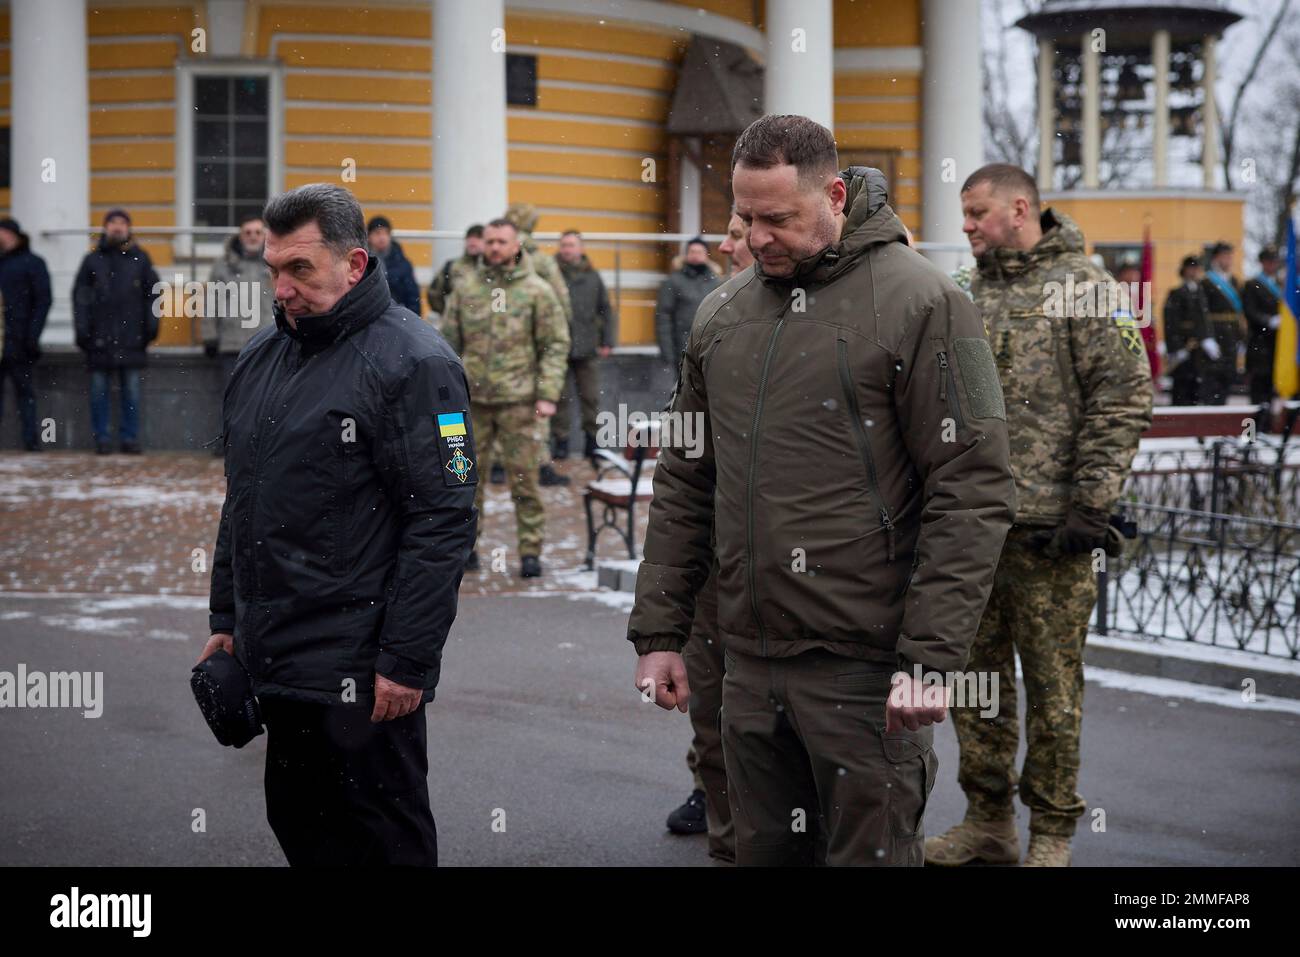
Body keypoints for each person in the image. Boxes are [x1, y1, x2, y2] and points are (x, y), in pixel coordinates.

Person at [628, 114, 1016, 867]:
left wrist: (931, 657)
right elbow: (684, 477)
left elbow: (972, 485)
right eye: (745, 216)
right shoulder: (722, 312)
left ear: (835, 195)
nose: (756, 236)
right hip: (747, 664)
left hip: (865, 670)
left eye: (778, 217)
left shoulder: (924, 303)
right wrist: (660, 631)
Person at [199, 183, 477, 867]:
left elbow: (442, 520)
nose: (283, 288)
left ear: (354, 265)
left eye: (301, 269)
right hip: (278, 665)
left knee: (382, 845)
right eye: (273, 270)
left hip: (364, 677)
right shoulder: (261, 356)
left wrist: (407, 660)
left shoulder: (417, 363)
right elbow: (244, 500)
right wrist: (227, 615)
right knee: (302, 829)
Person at [927, 164, 1152, 868]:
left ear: (1020, 208)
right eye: (962, 214)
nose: (965, 226)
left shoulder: (1086, 288)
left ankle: (1051, 831)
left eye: (976, 212)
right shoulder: (962, 294)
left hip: (1053, 534)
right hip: (973, 530)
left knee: (1054, 690)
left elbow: (1123, 397)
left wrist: (1092, 502)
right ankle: (987, 819)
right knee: (975, 685)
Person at [665, 210, 752, 858]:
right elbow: (683, 471)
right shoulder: (717, 316)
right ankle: (710, 784)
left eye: (742, 229)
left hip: (797, 571)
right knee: (709, 687)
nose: (726, 244)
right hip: (716, 555)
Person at [439, 218, 569, 577]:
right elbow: (447, 344)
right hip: (470, 404)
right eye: (490, 241)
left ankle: (530, 551)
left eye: (501, 242)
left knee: (525, 480)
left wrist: (547, 393)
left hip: (520, 401)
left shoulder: (537, 291)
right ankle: (468, 549)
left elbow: (555, 344)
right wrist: (446, 396)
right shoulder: (466, 288)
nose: (494, 247)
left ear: (516, 246)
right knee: (463, 478)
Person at [71, 208, 161, 454]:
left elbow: (152, 294)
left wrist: (151, 329)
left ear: (129, 228)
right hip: (98, 339)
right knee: (98, 392)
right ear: (105, 227)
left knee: (131, 393)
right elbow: (80, 298)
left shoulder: (141, 259)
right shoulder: (92, 260)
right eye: (113, 222)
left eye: (122, 223)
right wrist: (82, 332)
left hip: (132, 338)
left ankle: (129, 439)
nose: (117, 227)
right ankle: (101, 438)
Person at [503, 202, 571, 488]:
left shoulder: (495, 254)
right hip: (535, 344)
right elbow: (561, 300)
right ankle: (539, 464)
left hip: (502, 343)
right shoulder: (541, 261)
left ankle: (498, 463)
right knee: (536, 410)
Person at [553, 230, 614, 464]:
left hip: (587, 347)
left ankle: (593, 444)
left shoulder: (593, 277)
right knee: (559, 399)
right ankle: (561, 443)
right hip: (557, 347)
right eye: (564, 245)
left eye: (571, 245)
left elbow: (605, 309)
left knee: (591, 397)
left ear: (581, 249)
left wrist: (607, 340)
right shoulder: (552, 274)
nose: (567, 249)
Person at [202, 215, 274, 387]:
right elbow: (211, 302)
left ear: (265, 235)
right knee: (233, 401)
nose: (253, 236)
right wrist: (209, 336)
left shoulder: (275, 264)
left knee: (264, 401)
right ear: (240, 236)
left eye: (258, 232)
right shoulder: (222, 265)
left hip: (267, 344)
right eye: (247, 232)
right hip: (232, 346)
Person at [0, 217, 52, 452]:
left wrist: (32, 335)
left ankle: (31, 441)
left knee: (26, 394)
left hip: (19, 341)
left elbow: (42, 301)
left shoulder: (32, 263)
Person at [654, 236, 721, 364]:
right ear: (686, 255)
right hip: (681, 348)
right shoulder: (673, 282)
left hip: (710, 348)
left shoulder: (716, 282)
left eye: (699, 252)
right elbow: (663, 316)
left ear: (706, 255)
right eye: (692, 252)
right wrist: (667, 351)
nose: (695, 255)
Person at [1163, 255, 1219, 406]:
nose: (1194, 272)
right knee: (1181, 388)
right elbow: (1171, 323)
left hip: (1198, 350)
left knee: (1198, 387)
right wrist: (1176, 348)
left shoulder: (1201, 293)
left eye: (1196, 268)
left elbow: (1205, 320)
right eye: (1191, 268)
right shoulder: (1176, 293)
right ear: (1184, 270)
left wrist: (1209, 338)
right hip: (1184, 346)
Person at [1242, 245, 1284, 430]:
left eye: (1274, 261)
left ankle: (1268, 428)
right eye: (1268, 261)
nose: (1272, 265)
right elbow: (1250, 312)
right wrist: (1269, 321)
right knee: (1258, 392)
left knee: (1272, 392)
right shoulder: (1252, 285)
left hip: (1278, 346)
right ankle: (1253, 433)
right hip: (1260, 345)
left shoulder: (1282, 285)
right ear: (1262, 262)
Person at [1202, 241, 1244, 405]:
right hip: (1215, 333)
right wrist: (1207, 337)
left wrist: (1242, 337)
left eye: (1229, 256)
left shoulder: (1234, 281)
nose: (1228, 260)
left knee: (1228, 377)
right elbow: (1202, 313)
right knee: (1212, 378)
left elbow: (1240, 313)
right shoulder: (1206, 282)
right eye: (1224, 256)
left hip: (1231, 335)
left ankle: (1222, 417)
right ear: (1215, 259)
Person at [366, 215, 422, 316]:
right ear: (369, 236)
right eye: (377, 233)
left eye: (386, 233)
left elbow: (413, 296)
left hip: (398, 316)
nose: (382, 237)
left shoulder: (402, 263)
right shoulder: (362, 262)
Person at [427, 224, 483, 317]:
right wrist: (447, 313)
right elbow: (434, 293)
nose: (473, 241)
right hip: (459, 323)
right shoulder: (452, 267)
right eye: (469, 237)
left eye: (478, 237)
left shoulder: (493, 268)